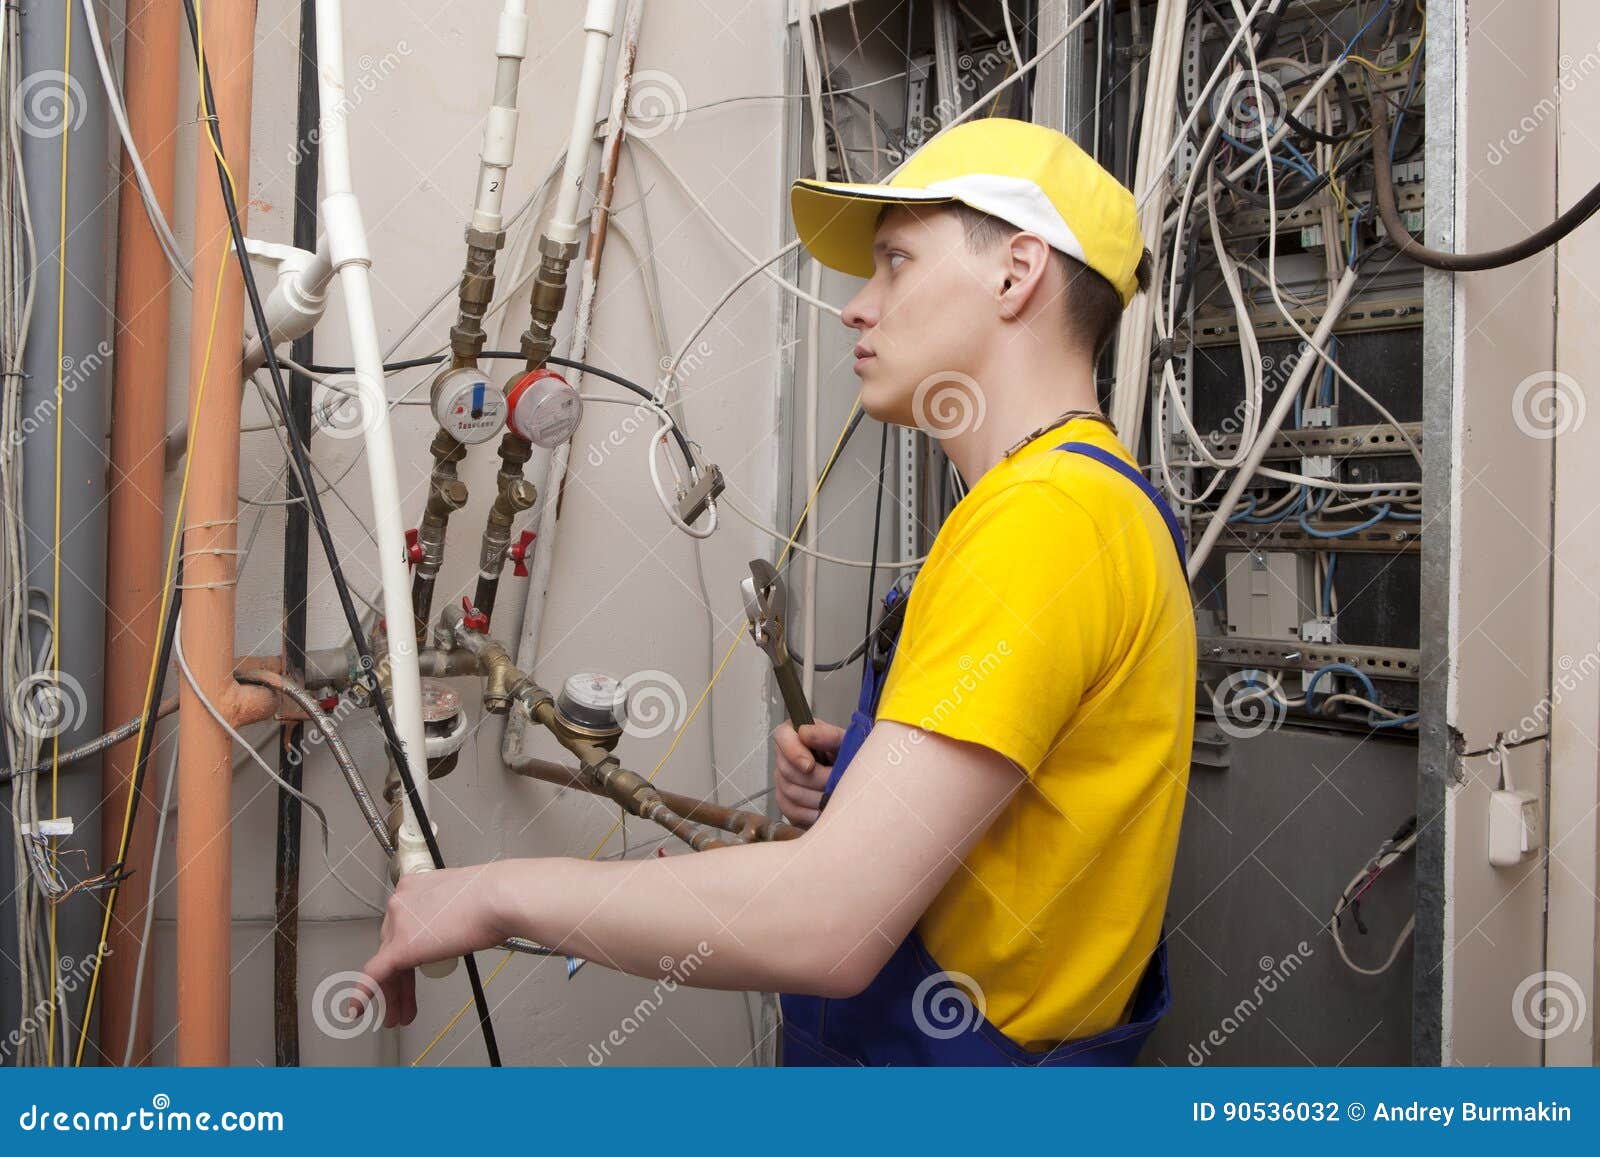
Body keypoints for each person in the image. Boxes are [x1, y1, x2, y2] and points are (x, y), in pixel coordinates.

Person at [358, 118, 1196, 1066]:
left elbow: (828, 923)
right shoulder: (1085, 499)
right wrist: (873, 777)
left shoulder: (1045, 518)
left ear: (1016, 271)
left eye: (895, 261)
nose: (856, 306)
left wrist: (482, 893)